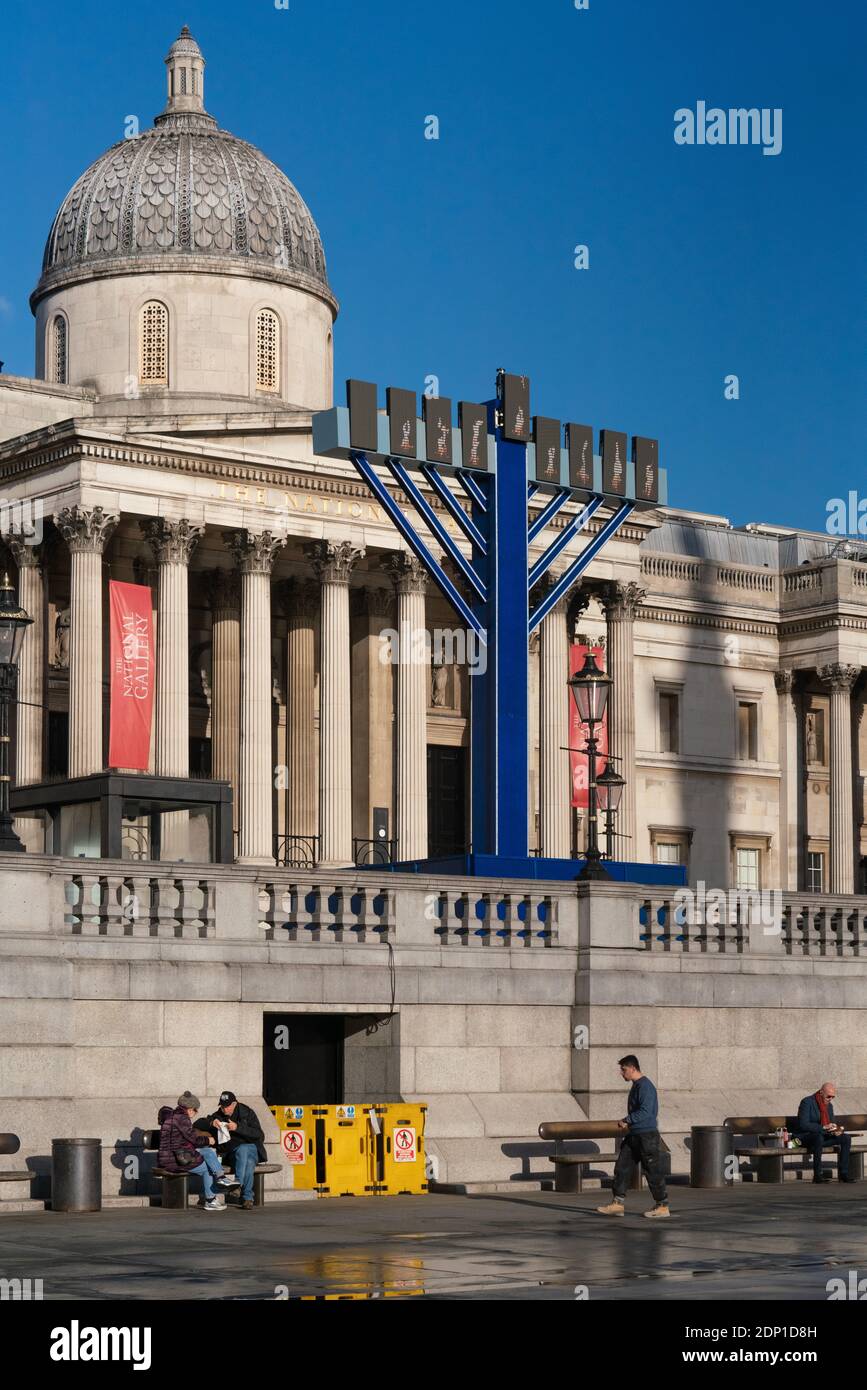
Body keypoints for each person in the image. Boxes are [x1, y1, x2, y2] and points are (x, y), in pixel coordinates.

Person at [597, 1056, 670, 1219]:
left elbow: (646, 1111)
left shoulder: (645, 1086)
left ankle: (662, 1205)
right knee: (622, 1167)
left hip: (647, 1135)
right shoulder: (637, 1086)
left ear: (632, 1068)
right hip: (634, 1135)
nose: (621, 1073)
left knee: (652, 1171)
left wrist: (626, 1120)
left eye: (623, 1069)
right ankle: (617, 1204)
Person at [157, 1091, 240, 1212]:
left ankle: (221, 1177)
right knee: (208, 1167)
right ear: (190, 1109)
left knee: (207, 1152)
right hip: (177, 1160)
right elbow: (194, 1140)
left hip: (170, 1156)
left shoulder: (173, 1117)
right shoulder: (182, 1119)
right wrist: (209, 1140)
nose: (196, 1113)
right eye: (196, 1110)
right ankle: (211, 1199)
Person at [203, 1090, 267, 1211]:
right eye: (222, 1106)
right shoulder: (219, 1114)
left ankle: (238, 1184)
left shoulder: (247, 1113)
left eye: (227, 1106)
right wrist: (212, 1122)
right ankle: (247, 1197)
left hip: (253, 1150)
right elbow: (202, 1122)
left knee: (244, 1148)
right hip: (233, 1154)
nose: (224, 1109)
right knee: (248, 1162)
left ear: (234, 1104)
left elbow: (259, 1135)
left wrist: (238, 1128)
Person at [796, 1082, 855, 1184]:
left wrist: (836, 1130)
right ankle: (818, 1175)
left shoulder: (829, 1106)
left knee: (846, 1138)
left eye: (833, 1097)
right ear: (821, 1092)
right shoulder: (807, 1102)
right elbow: (803, 1125)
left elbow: (831, 1123)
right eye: (828, 1096)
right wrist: (823, 1127)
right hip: (805, 1138)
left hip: (822, 1136)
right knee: (818, 1138)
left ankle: (843, 1174)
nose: (830, 1099)